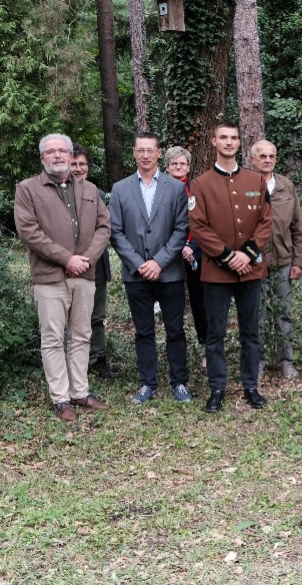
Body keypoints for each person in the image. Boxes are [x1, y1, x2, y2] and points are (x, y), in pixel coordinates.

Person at [14, 133, 112, 420]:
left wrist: (85, 260)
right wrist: (65, 258)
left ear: (71, 157)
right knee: (53, 338)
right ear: (42, 158)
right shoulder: (27, 189)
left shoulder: (90, 190)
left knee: (82, 335)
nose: (57, 156)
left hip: (84, 275)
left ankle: (80, 392)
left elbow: (104, 228)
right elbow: (29, 231)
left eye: (62, 151)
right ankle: (61, 399)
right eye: (51, 152)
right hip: (49, 278)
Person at [189, 122, 273, 412]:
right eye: (223, 137)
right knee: (215, 334)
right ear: (213, 141)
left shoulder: (256, 181)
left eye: (234, 138)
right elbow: (198, 226)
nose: (229, 142)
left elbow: (265, 221)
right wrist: (228, 256)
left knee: (250, 332)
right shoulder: (200, 184)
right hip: (217, 271)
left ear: (239, 143)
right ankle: (217, 388)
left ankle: (251, 386)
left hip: (251, 269)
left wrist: (247, 255)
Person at [109, 132, 193, 404]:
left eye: (150, 150)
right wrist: (138, 264)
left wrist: (159, 261)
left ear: (159, 153)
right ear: (133, 153)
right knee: (143, 330)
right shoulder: (120, 189)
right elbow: (116, 232)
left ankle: (179, 382)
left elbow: (182, 229)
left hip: (169, 272)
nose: (145, 155)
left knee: (175, 329)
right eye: (140, 150)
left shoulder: (176, 188)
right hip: (136, 275)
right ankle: (148, 383)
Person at [251, 139, 302, 379]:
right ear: (253, 159)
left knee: (283, 312)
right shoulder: (246, 186)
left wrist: (298, 261)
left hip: (283, 261)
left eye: (271, 156)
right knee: (257, 313)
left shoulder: (286, 186)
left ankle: (286, 360)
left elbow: (298, 227)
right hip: (254, 262)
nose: (267, 160)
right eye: (262, 156)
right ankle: (259, 361)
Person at [70, 145, 113, 380]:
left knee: (96, 314)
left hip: (96, 264)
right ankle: (75, 360)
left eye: (82, 164)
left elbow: (104, 228)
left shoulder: (98, 193)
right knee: (71, 315)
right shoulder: (59, 193)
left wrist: (90, 257)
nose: (78, 169)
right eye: (74, 164)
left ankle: (98, 358)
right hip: (67, 265)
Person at [164, 146, 208, 370]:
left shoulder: (197, 189)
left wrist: (191, 246)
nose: (178, 167)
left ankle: (205, 347)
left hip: (193, 253)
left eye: (182, 164)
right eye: (174, 164)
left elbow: (203, 222)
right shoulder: (160, 189)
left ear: (189, 166)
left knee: (200, 303)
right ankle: (175, 350)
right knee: (172, 302)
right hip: (168, 254)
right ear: (167, 167)